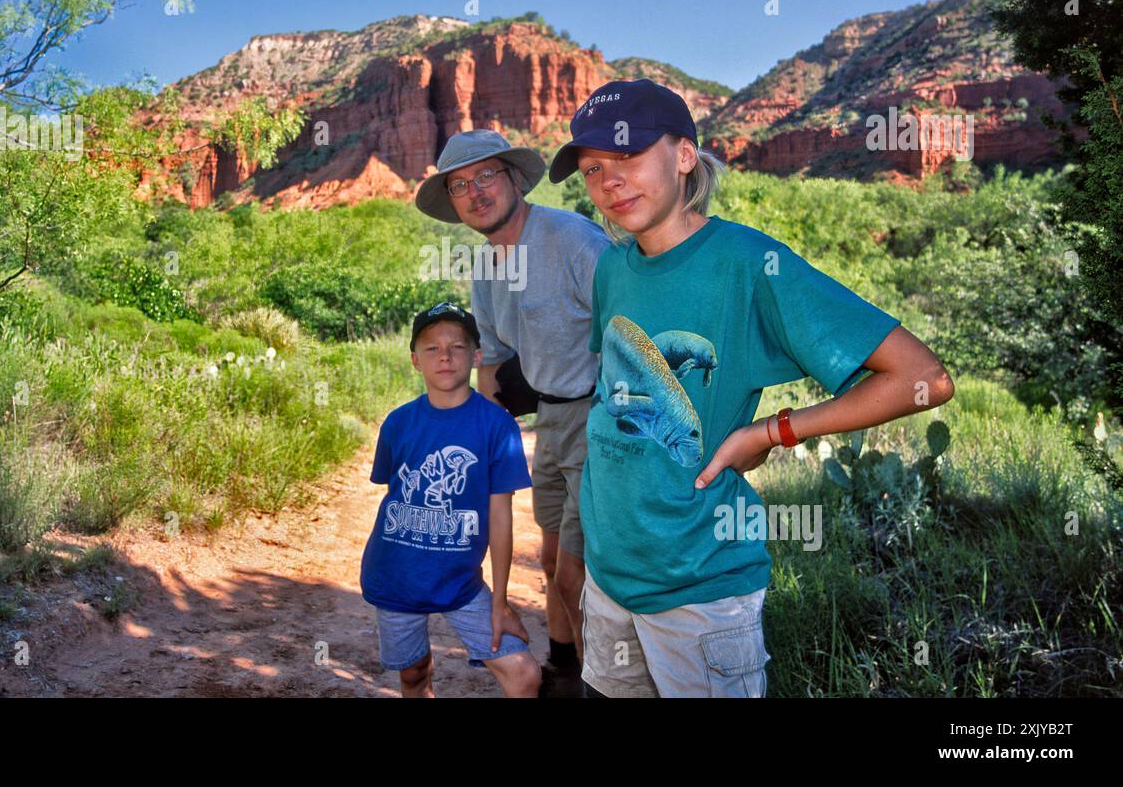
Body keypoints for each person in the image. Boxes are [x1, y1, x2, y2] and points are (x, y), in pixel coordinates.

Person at [549, 78, 956, 697]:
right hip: (610, 581)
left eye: (628, 156)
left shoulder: (746, 262)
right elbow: (617, 390)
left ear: (684, 155)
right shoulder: (612, 266)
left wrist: (773, 431)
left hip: (699, 592)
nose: (609, 180)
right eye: (593, 167)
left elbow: (922, 377)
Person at [416, 129, 610, 697]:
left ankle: (606, 685)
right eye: (459, 185)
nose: (475, 192)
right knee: (550, 560)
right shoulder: (485, 266)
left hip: (600, 417)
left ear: (516, 179)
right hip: (550, 422)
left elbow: (630, 326)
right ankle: (564, 671)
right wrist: (473, 451)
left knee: (578, 572)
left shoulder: (574, 240)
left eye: (486, 177)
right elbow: (493, 365)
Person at [359, 301, 541, 698]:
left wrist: (501, 601)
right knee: (413, 674)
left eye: (457, 347)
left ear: (476, 357)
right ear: (414, 360)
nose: (445, 356)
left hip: (462, 583)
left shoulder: (498, 426)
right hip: (395, 577)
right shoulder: (398, 422)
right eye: (431, 348)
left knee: (523, 673)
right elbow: (396, 491)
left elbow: (500, 516)